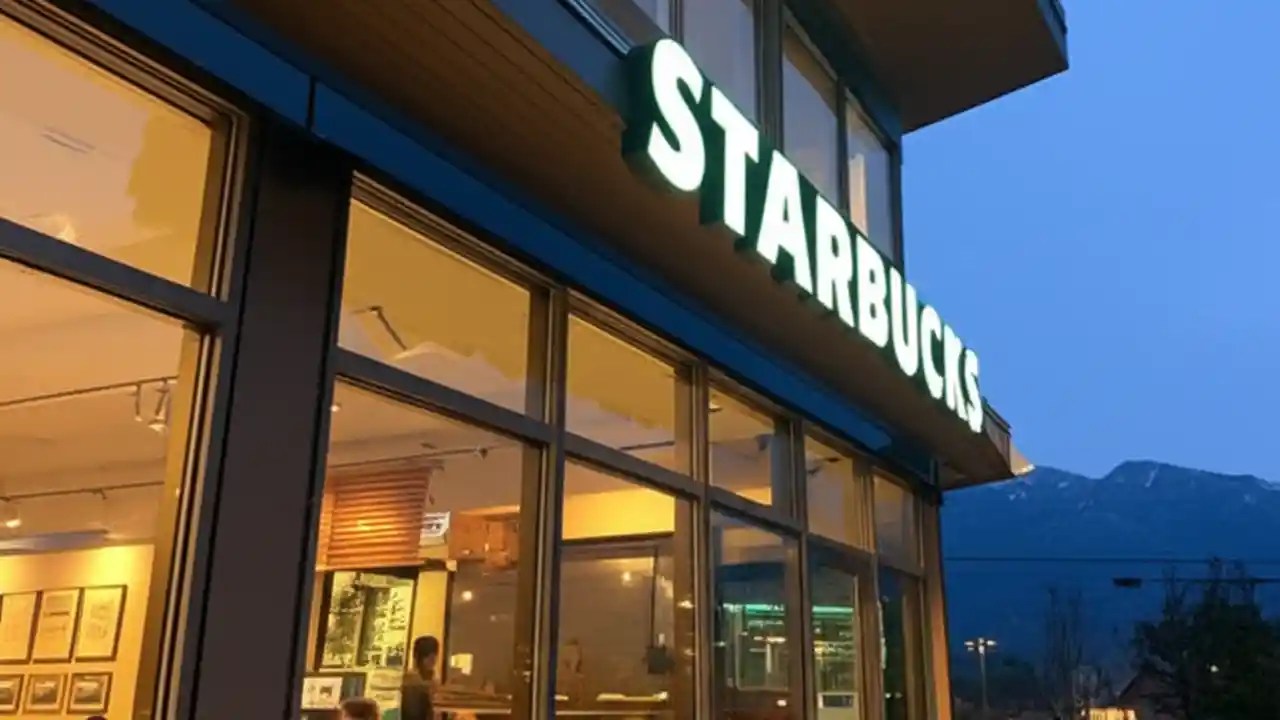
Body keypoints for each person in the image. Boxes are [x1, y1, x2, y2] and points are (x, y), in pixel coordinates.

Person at [400, 635, 439, 720]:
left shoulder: (435, 678)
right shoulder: (410, 680)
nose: (433, 660)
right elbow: (412, 713)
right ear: (418, 658)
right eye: (428, 656)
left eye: (434, 656)